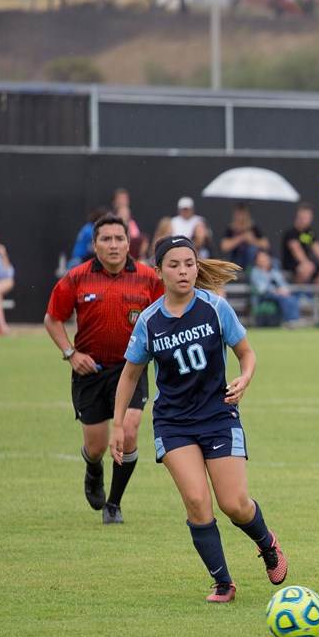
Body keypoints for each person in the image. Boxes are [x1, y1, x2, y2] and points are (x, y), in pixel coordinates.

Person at [111, 234, 291, 602]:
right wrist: (117, 426)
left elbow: (247, 353)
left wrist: (245, 377)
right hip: (174, 423)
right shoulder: (149, 321)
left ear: (197, 267)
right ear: (158, 271)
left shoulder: (215, 308)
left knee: (234, 504)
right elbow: (130, 375)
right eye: (174, 265)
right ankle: (223, 582)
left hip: (218, 416)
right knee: (196, 501)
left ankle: (266, 542)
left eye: (189, 264)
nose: (183, 271)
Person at [44, 214, 164, 525]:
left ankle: (114, 504)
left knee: (130, 432)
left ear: (129, 243)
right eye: (106, 239)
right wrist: (71, 354)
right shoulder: (77, 277)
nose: (113, 245)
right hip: (91, 371)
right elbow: (52, 318)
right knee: (96, 447)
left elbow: (167, 314)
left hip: (132, 367)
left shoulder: (149, 278)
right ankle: (93, 469)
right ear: (95, 244)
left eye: (119, 239)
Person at [280, 202, 319, 284]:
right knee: (307, 268)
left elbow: (318, 249)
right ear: (299, 216)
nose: (308, 219)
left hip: (309, 264)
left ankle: (315, 295)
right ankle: (299, 293)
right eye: (305, 217)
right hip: (292, 265)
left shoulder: (309, 232)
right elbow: (297, 252)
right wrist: (306, 263)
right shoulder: (291, 233)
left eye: (309, 217)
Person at [249, 249, 302, 327]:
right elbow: (260, 288)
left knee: (292, 298)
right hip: (264, 296)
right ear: (256, 261)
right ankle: (289, 320)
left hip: (278, 294)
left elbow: (283, 284)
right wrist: (276, 290)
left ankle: (294, 320)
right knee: (283, 298)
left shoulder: (274, 272)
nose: (264, 261)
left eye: (265, 259)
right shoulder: (255, 272)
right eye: (261, 259)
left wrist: (284, 290)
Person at [219, 202, 269, 269]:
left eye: (242, 214)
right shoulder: (231, 229)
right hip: (236, 259)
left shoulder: (253, 227)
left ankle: (251, 268)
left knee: (251, 250)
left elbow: (265, 245)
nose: (240, 217)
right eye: (238, 214)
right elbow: (224, 246)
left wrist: (252, 240)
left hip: (252, 260)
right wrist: (242, 238)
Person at [111, 188, 149, 265]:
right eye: (120, 199)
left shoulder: (132, 223)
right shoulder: (109, 221)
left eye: (124, 199)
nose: (123, 202)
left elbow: (136, 239)